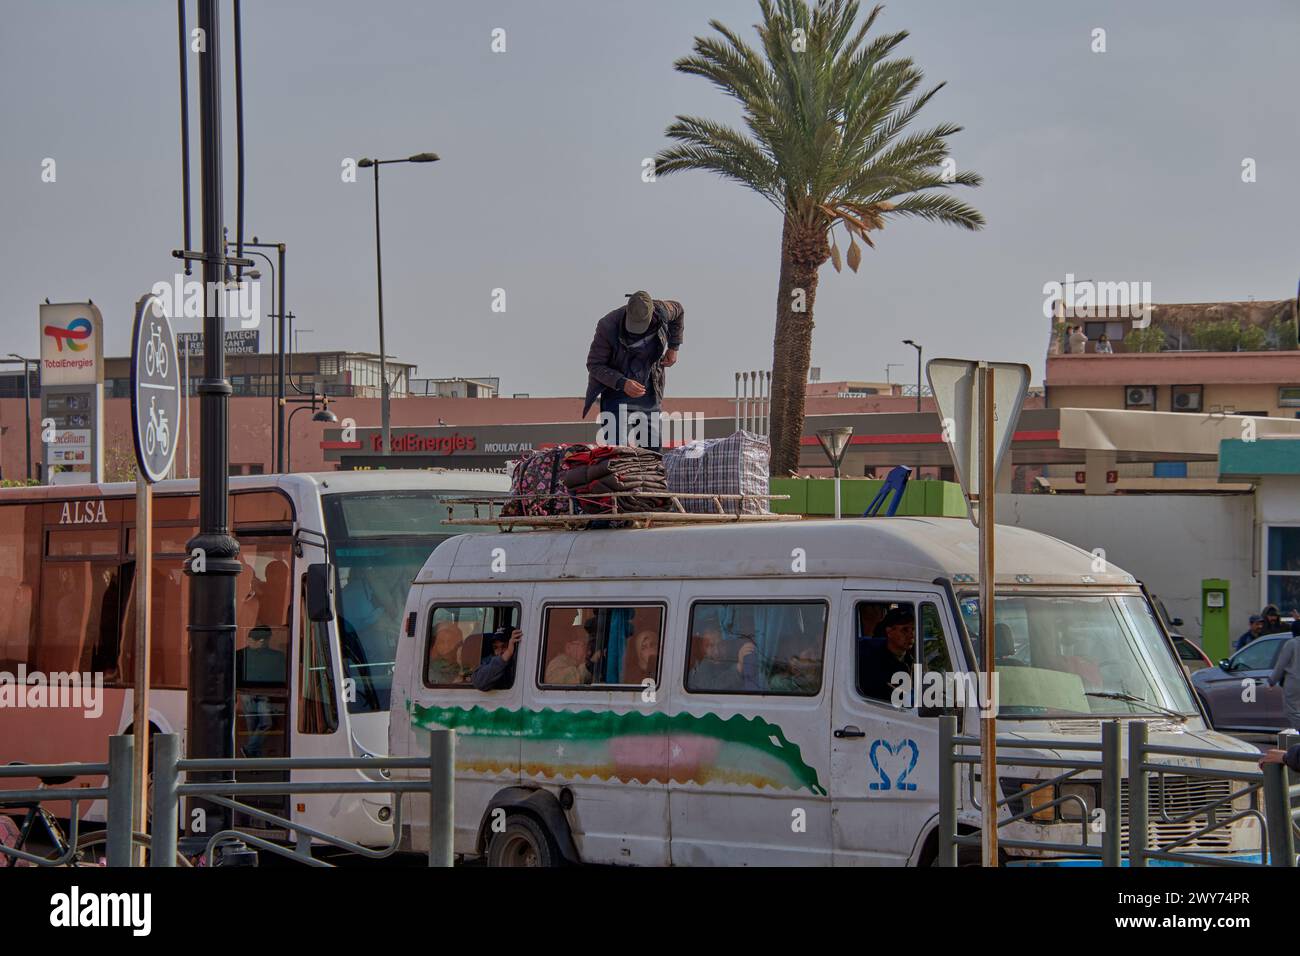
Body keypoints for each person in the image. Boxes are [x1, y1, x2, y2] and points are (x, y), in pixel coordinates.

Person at [583, 290, 684, 451]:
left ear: (652, 313)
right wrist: (622, 383)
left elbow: (679, 310)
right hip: (616, 396)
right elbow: (594, 365)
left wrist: (674, 347)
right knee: (618, 453)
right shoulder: (607, 326)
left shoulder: (663, 310)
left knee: (652, 454)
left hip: (649, 394)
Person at [858, 605, 916, 702]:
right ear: (889, 632)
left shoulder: (914, 659)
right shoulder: (874, 663)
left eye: (913, 629)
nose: (911, 635)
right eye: (905, 630)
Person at [1266, 621, 1300, 732]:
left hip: (1294, 682)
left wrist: (1272, 681)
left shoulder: (1292, 643)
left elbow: (1281, 664)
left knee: (1293, 711)